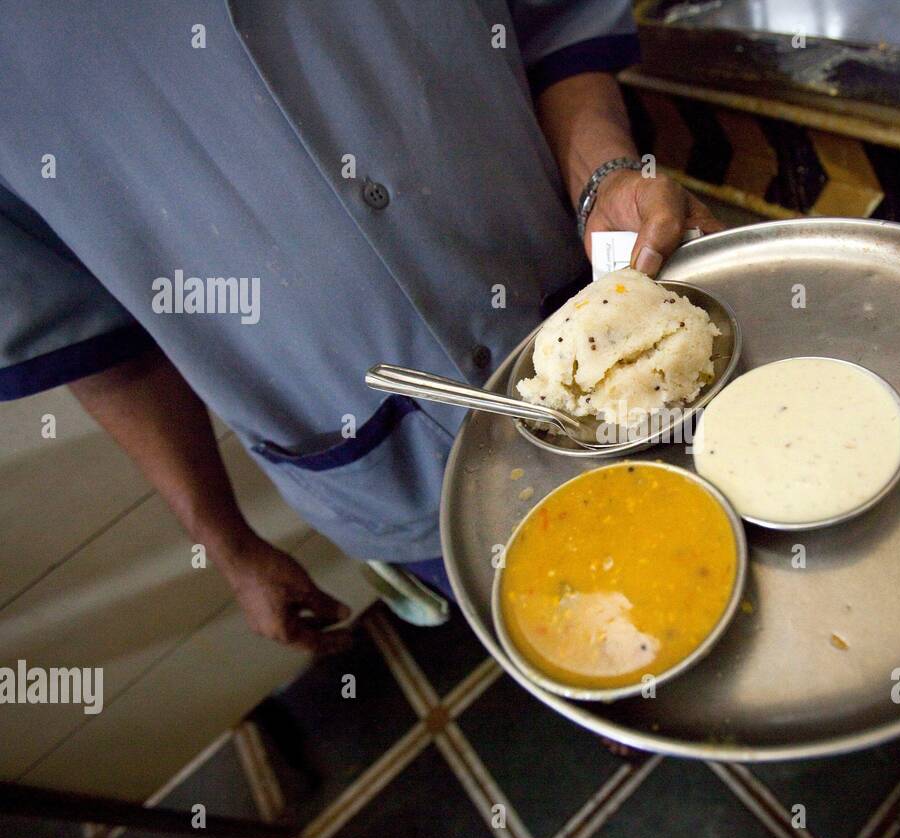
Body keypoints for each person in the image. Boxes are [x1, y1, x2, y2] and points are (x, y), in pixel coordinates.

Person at [0, 1, 721, 651]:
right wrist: (226, 545)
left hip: (614, 340)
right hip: (396, 475)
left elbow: (551, 28)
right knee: (601, 646)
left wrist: (603, 175)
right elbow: (97, 347)